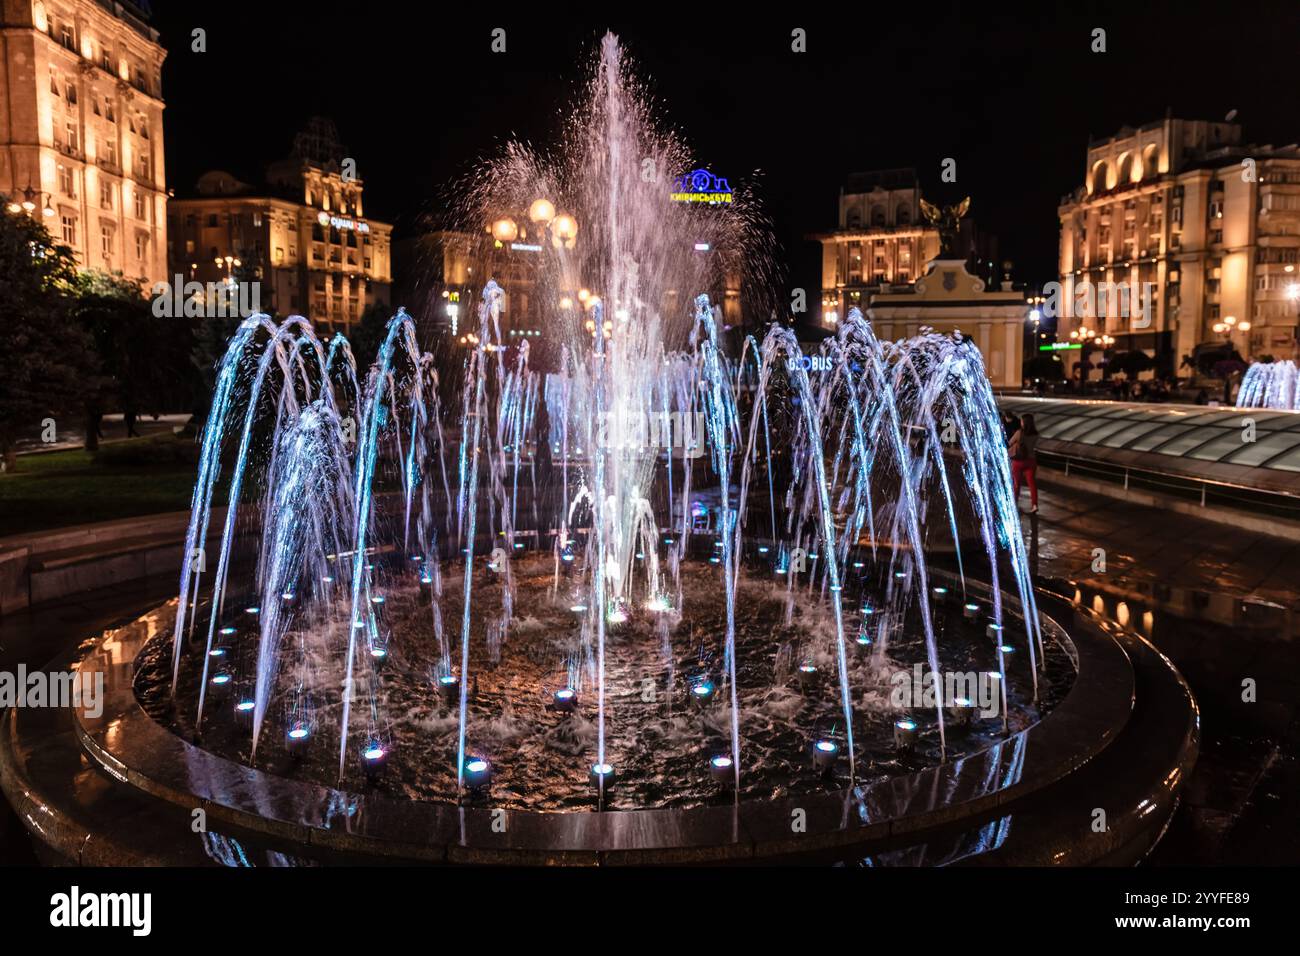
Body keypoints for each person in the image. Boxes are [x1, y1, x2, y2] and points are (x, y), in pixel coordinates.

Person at [1008, 413, 1038, 514]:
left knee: (1017, 484)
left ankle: (1014, 504)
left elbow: (1010, 442)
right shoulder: (1036, 434)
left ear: (1024, 422)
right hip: (1031, 461)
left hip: (1018, 461)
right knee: (1032, 484)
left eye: (1021, 421)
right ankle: (1034, 505)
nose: (1020, 422)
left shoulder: (1019, 433)